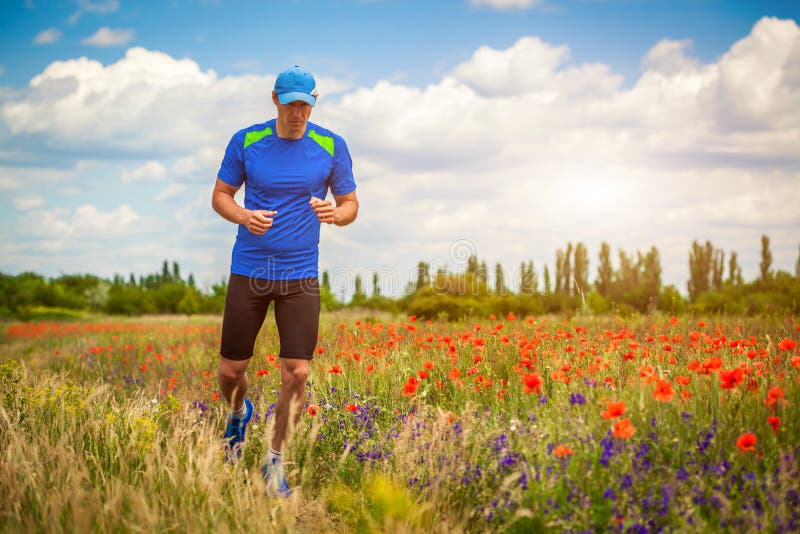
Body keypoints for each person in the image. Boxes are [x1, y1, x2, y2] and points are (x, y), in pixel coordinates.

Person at [211, 65, 358, 497]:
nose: (299, 113)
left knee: (297, 372)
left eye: (306, 105)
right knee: (230, 370)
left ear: (314, 102)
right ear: (274, 99)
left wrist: (337, 214)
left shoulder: (331, 145)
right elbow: (221, 195)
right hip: (250, 270)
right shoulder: (247, 141)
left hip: (300, 275)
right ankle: (238, 413)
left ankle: (274, 461)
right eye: (291, 103)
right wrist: (243, 215)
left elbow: (350, 203)